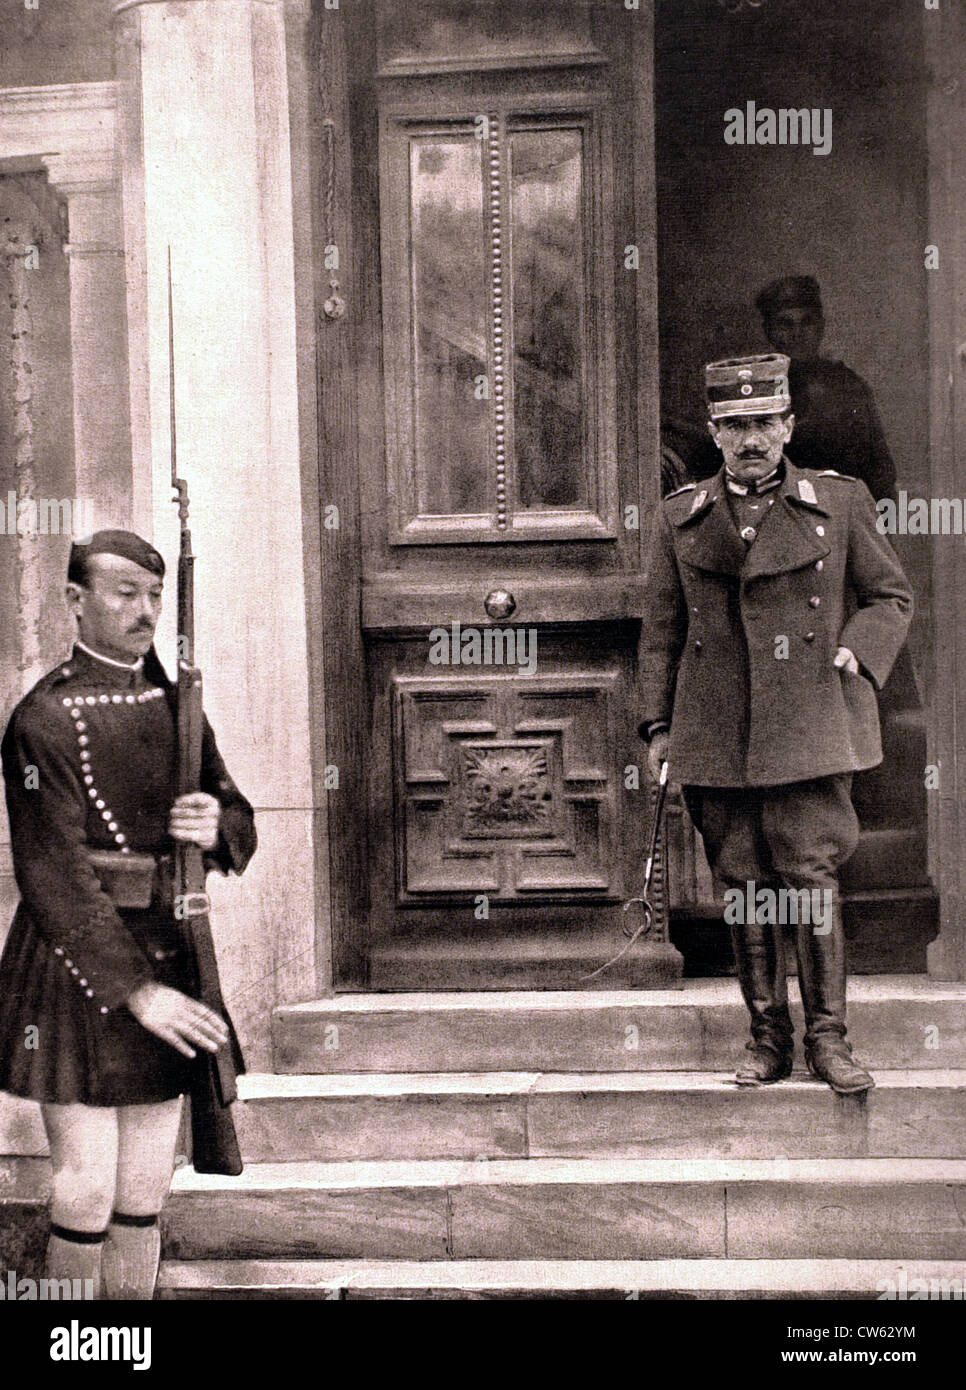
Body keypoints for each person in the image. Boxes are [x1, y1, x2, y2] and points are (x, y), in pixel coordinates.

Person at [639, 355, 912, 1094]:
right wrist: (657, 728)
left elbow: (891, 597)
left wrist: (860, 646)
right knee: (745, 886)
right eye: (734, 426)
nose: (750, 439)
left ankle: (830, 1040)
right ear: (713, 432)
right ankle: (767, 1041)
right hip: (718, 731)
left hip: (812, 726)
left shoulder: (840, 502)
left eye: (763, 423)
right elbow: (662, 633)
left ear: (788, 425)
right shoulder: (680, 517)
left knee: (811, 880)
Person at [0, 530, 255, 1298]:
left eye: (153, 595)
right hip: (75, 969)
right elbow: (54, 879)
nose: (145, 611)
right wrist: (139, 992)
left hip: (169, 955)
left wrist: (218, 826)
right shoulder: (42, 720)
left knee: (142, 1196)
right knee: (83, 1190)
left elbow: (236, 812)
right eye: (124, 594)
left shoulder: (177, 706)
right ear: (75, 601)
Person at [756, 274, 897, 504]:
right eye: (785, 324)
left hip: (837, 514)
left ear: (820, 326)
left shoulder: (848, 387)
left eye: (807, 322)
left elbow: (880, 473)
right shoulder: (755, 388)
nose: (797, 334)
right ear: (769, 331)